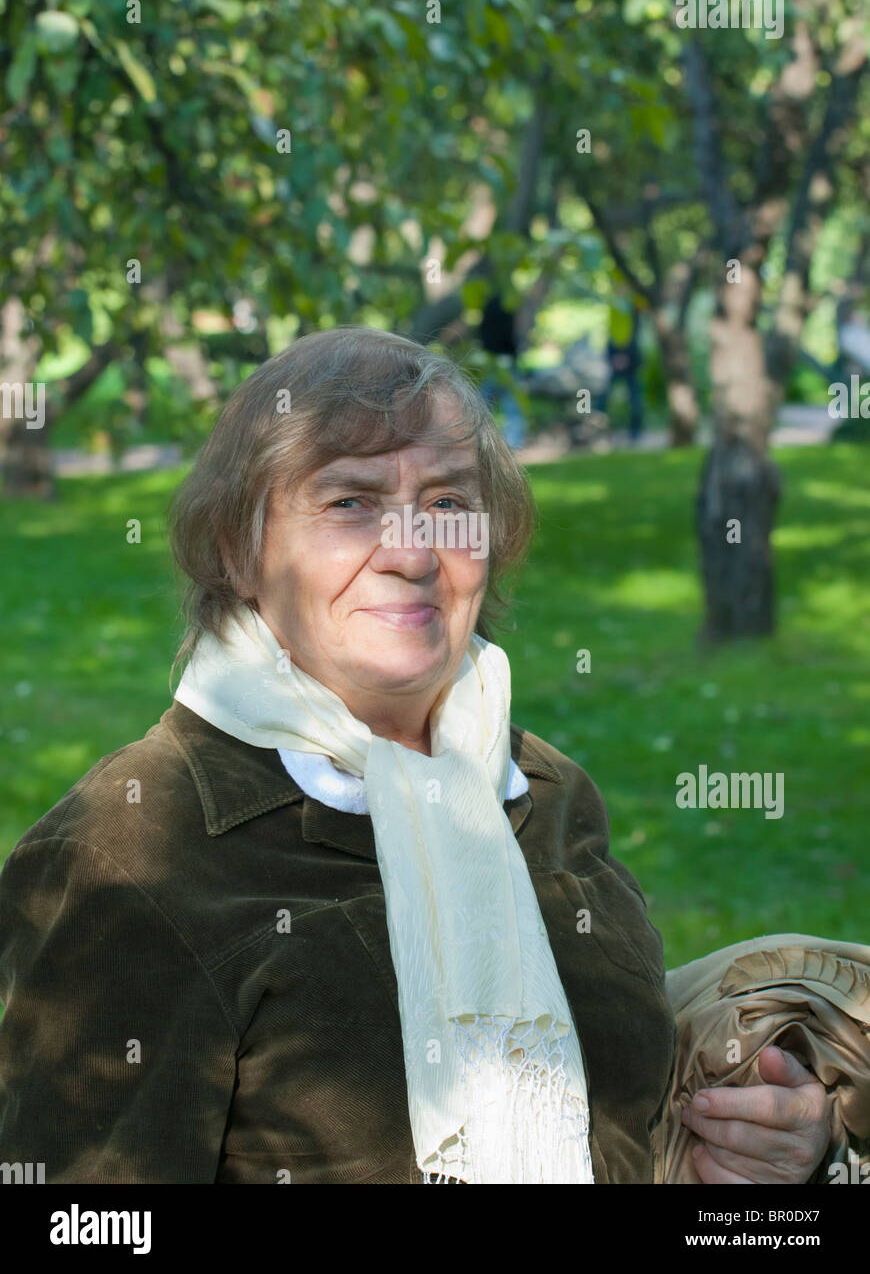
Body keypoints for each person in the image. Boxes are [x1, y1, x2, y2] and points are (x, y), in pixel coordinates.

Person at [0, 328, 833, 1183]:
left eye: (445, 504)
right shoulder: (127, 852)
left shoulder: (543, 793)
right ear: (236, 549)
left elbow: (614, 1130)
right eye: (349, 502)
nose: (410, 553)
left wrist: (736, 1167)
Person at [477, 292, 527, 450]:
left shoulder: (486, 308)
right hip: (506, 362)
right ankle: (512, 446)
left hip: (489, 362)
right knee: (512, 409)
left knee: (480, 408)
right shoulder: (510, 307)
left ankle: (481, 444)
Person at [596, 303, 644, 441]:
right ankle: (596, 429)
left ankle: (635, 433)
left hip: (632, 365)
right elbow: (611, 335)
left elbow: (634, 335)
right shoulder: (614, 310)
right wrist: (614, 357)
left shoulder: (633, 311)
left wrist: (625, 356)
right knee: (603, 398)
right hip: (616, 362)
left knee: (635, 401)